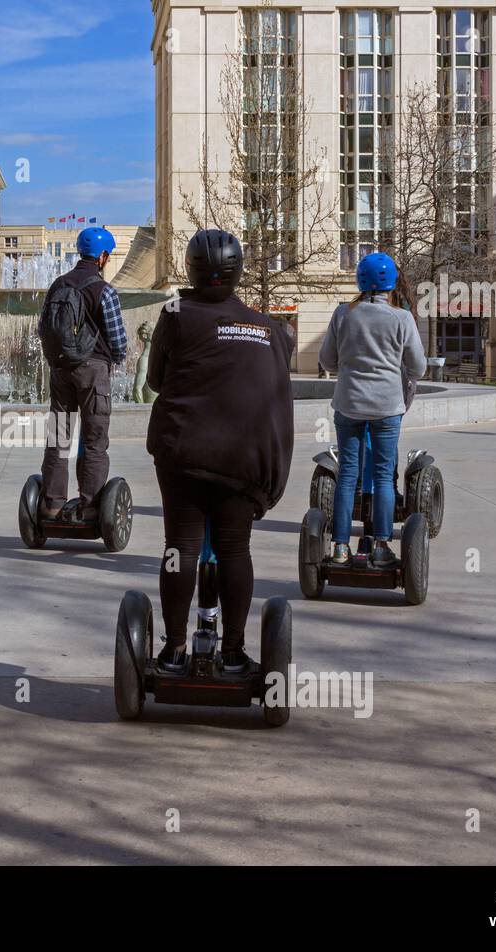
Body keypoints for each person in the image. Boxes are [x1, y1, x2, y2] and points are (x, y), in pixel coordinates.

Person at [145, 229, 294, 673]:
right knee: (234, 550)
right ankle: (232, 651)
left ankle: (172, 649)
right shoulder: (268, 327)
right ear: (238, 273)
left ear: (191, 269)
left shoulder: (176, 314)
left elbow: (155, 381)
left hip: (185, 451)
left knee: (180, 548)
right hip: (246, 458)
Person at [318, 252, 428, 567]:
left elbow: (327, 361)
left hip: (349, 404)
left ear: (360, 281)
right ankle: (381, 545)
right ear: (391, 283)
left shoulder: (343, 314)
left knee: (348, 475)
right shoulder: (402, 318)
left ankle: (340, 546)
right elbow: (418, 367)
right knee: (382, 475)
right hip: (386, 406)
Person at [37, 226, 128, 521]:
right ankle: (89, 508)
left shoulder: (58, 285)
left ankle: (51, 505)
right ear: (102, 256)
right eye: (108, 256)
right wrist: (116, 358)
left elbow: (44, 327)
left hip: (60, 371)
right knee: (94, 441)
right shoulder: (104, 290)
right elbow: (118, 341)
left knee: (58, 439)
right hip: (93, 372)